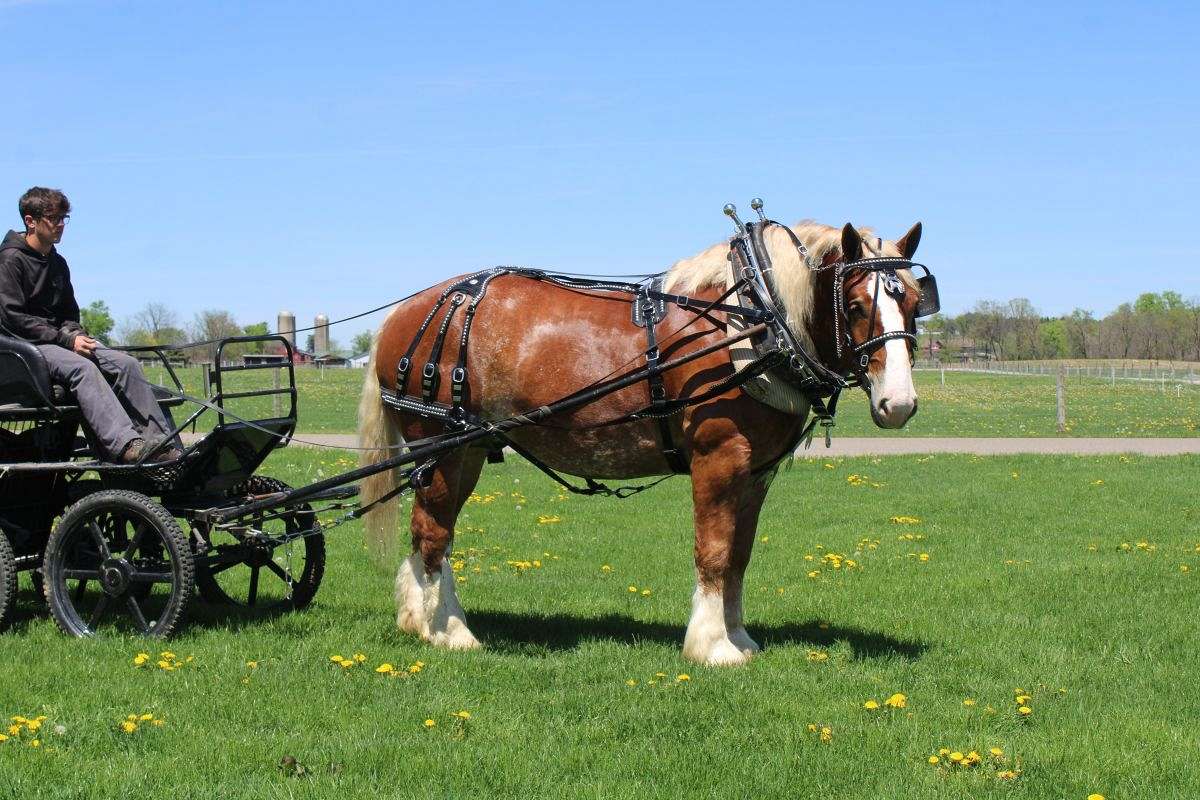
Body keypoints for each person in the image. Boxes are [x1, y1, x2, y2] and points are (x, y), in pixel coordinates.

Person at [0, 187, 180, 463]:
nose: (60, 224)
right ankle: (126, 445)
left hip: (59, 340)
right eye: (53, 218)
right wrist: (66, 340)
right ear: (30, 221)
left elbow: (69, 312)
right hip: (27, 347)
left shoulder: (58, 263)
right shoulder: (10, 260)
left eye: (63, 218)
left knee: (127, 364)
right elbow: (13, 318)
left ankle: (161, 445)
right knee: (82, 369)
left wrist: (76, 333)